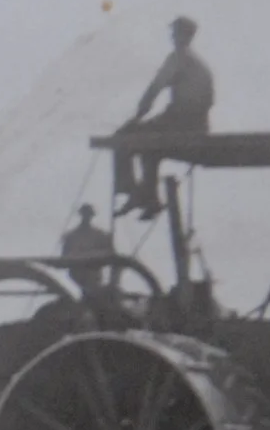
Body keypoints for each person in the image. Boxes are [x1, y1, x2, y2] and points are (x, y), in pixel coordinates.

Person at [114, 17, 215, 218]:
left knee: (123, 136)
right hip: (196, 124)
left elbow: (155, 87)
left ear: (183, 35)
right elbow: (209, 100)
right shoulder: (198, 63)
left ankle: (133, 192)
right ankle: (149, 198)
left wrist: (138, 116)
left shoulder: (178, 58)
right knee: (150, 151)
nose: (172, 37)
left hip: (180, 122)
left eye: (175, 33)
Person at [58, 204, 118, 305]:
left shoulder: (99, 235)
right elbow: (64, 256)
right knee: (89, 293)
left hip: (94, 271)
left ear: (91, 216)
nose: (86, 217)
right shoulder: (71, 236)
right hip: (78, 272)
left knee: (94, 294)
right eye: (85, 214)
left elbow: (111, 254)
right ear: (81, 215)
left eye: (88, 215)